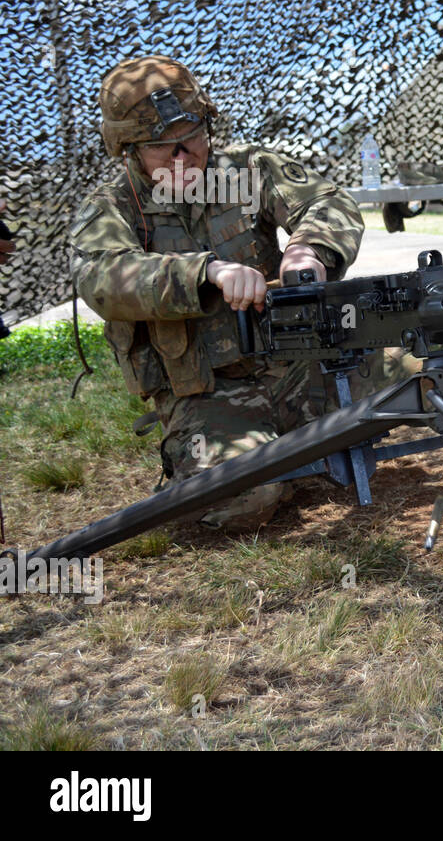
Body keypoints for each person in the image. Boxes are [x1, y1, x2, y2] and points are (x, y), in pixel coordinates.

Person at [71, 54, 410, 529]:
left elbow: (328, 201)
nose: (183, 157)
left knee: (441, 385)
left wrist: (308, 249)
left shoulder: (248, 169)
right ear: (127, 149)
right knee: (244, 500)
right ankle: (274, 458)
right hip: (212, 395)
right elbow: (101, 276)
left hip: (301, 368)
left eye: (192, 138)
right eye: (162, 148)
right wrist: (204, 273)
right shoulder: (112, 207)